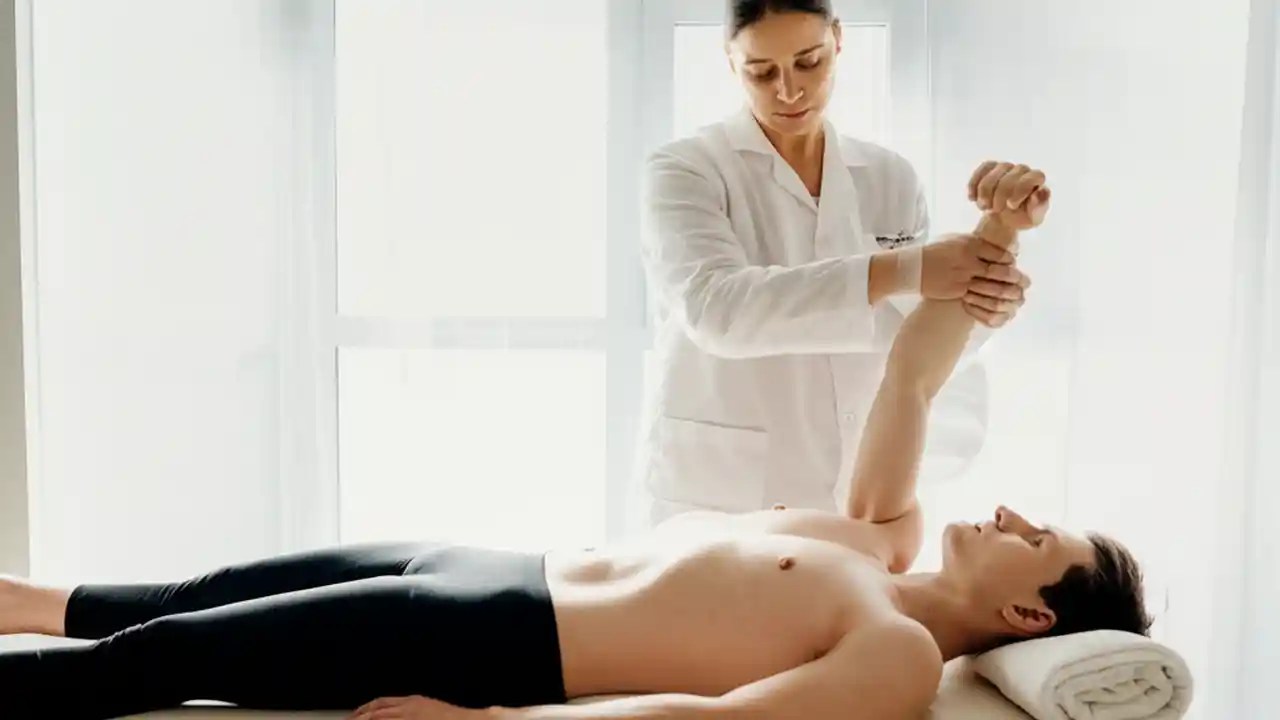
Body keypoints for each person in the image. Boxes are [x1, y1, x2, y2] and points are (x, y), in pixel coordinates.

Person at [0, 166, 1151, 720]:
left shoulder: (892, 654)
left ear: (1027, 618)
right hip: (485, 564)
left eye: (1032, 537)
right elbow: (912, 368)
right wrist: (996, 229)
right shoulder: (880, 541)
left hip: (489, 643)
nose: (1008, 513)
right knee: (181, 594)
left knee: (157, 663)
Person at [635, 0, 1034, 526]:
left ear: (838, 41)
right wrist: (903, 269)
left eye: (809, 62)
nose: (789, 90)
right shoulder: (686, 170)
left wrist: (982, 304)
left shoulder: (889, 177)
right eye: (762, 72)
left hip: (854, 485)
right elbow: (719, 312)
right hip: (718, 496)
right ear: (730, 60)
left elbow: (909, 340)